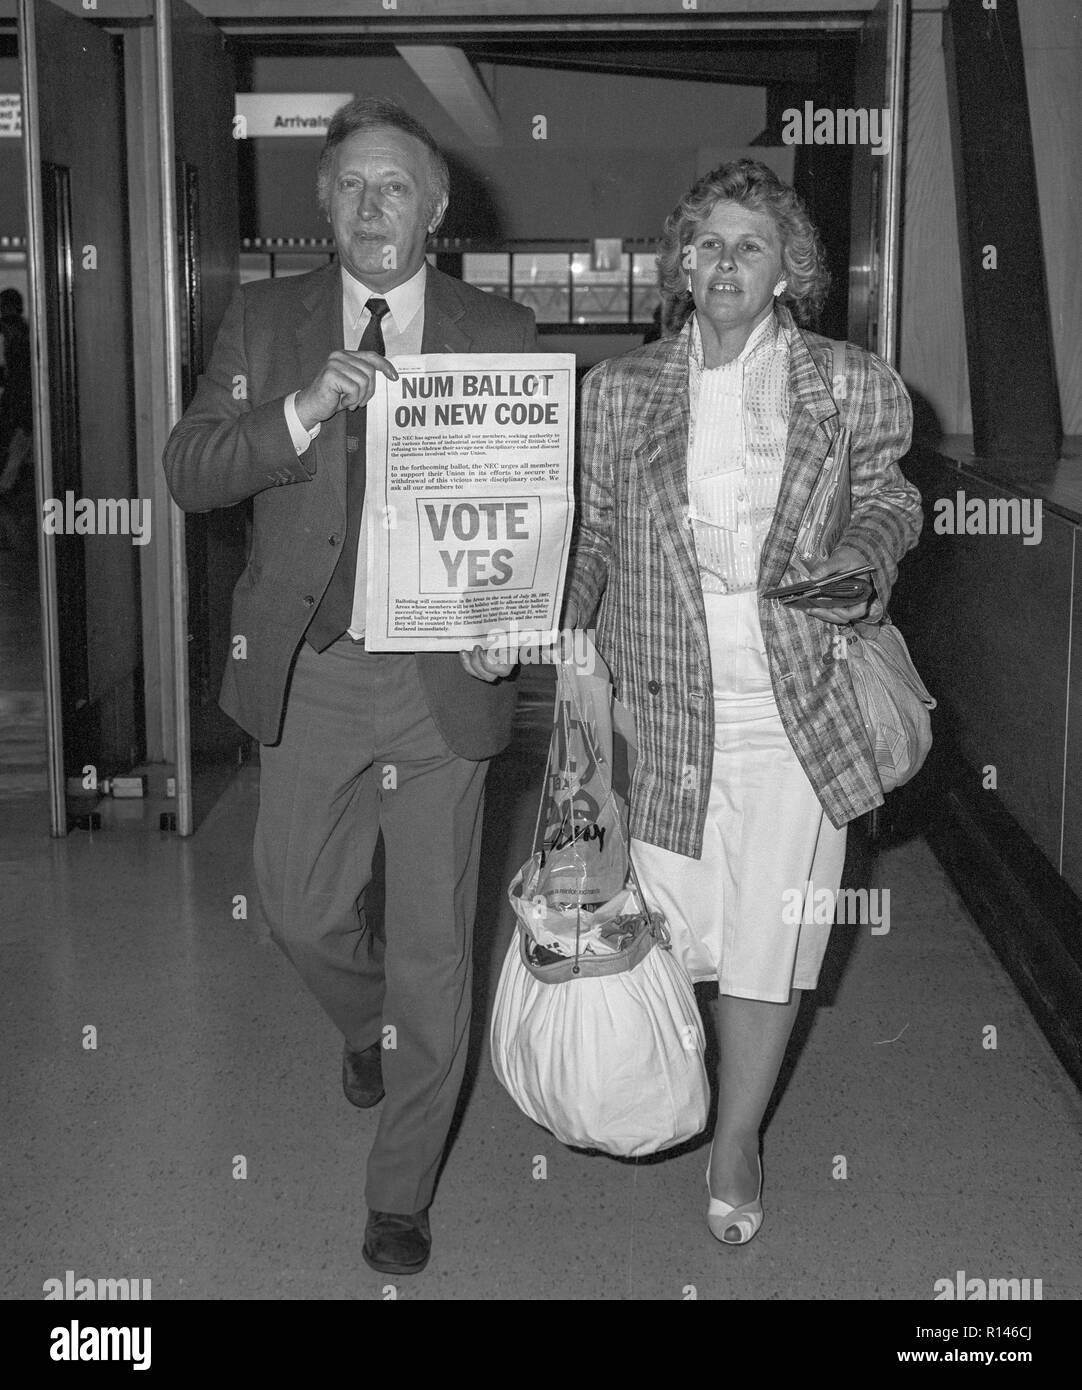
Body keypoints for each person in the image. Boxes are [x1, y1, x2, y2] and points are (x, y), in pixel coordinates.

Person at [163, 97, 535, 1276]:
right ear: (325, 206)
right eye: (352, 187)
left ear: (435, 208)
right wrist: (300, 409)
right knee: (297, 904)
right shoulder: (265, 322)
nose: (374, 206)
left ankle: (401, 1187)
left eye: (396, 187)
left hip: (442, 681)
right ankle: (367, 1018)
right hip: (312, 672)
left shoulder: (499, 328)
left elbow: (535, 517)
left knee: (435, 946)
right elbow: (188, 471)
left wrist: (510, 626)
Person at [562, 158, 921, 1244]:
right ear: (679, 261)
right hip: (655, 688)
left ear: (787, 271)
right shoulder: (619, 391)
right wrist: (555, 633)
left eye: (749, 245)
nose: (724, 262)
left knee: (768, 931)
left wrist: (856, 561)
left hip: (791, 691)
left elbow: (889, 500)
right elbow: (592, 536)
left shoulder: (848, 383)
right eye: (706, 243)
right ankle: (662, 1087)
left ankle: (736, 1136)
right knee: (659, 922)